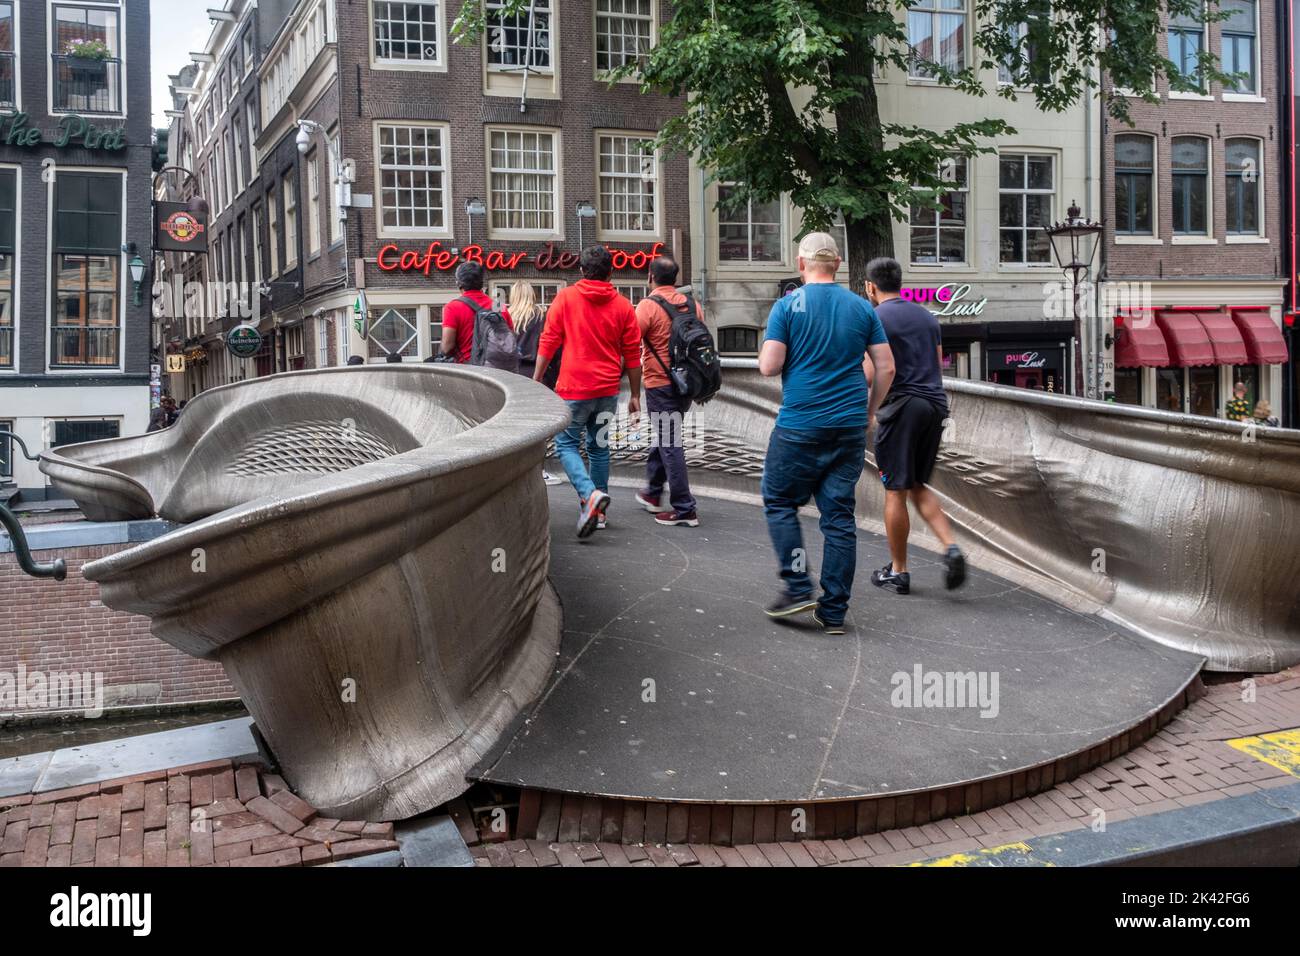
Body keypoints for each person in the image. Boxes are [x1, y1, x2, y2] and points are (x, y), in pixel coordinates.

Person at [759, 232, 895, 636]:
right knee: (839, 518)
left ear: (801, 265)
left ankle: (799, 584)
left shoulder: (787, 306)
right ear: (838, 264)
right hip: (850, 424)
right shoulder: (861, 307)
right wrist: (869, 412)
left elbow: (769, 366)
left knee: (780, 500)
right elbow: (886, 368)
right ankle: (833, 612)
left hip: (800, 424)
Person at [862, 257, 966, 596]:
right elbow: (937, 365)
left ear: (870, 287)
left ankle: (899, 571)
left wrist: (870, 410)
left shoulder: (872, 319)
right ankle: (951, 546)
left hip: (901, 408)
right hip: (934, 405)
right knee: (917, 483)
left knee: (894, 489)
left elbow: (871, 370)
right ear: (900, 282)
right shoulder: (927, 316)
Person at [534, 245, 643, 539]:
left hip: (574, 388)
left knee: (566, 445)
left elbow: (549, 341)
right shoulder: (623, 306)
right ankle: (600, 512)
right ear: (611, 272)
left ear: (581, 270)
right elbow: (633, 354)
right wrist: (635, 395)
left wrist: (537, 378)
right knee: (599, 448)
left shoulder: (566, 298)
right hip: (607, 390)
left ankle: (589, 495)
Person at [634, 255, 702, 528]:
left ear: (651, 276)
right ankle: (652, 492)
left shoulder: (647, 306)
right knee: (667, 436)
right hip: (686, 385)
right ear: (675, 278)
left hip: (659, 384)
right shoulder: (693, 305)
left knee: (670, 443)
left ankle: (685, 509)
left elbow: (630, 342)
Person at [509, 280, 564, 486]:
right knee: (538, 426)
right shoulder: (541, 316)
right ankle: (538, 470)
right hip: (538, 374)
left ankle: (516, 470)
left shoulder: (507, 316)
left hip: (513, 375)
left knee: (516, 425)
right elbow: (552, 345)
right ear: (532, 295)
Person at [439, 261, 511, 363]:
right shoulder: (498, 306)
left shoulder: (452, 307)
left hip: (469, 372)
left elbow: (447, 347)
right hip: (496, 370)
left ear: (458, 283)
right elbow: (510, 336)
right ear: (481, 282)